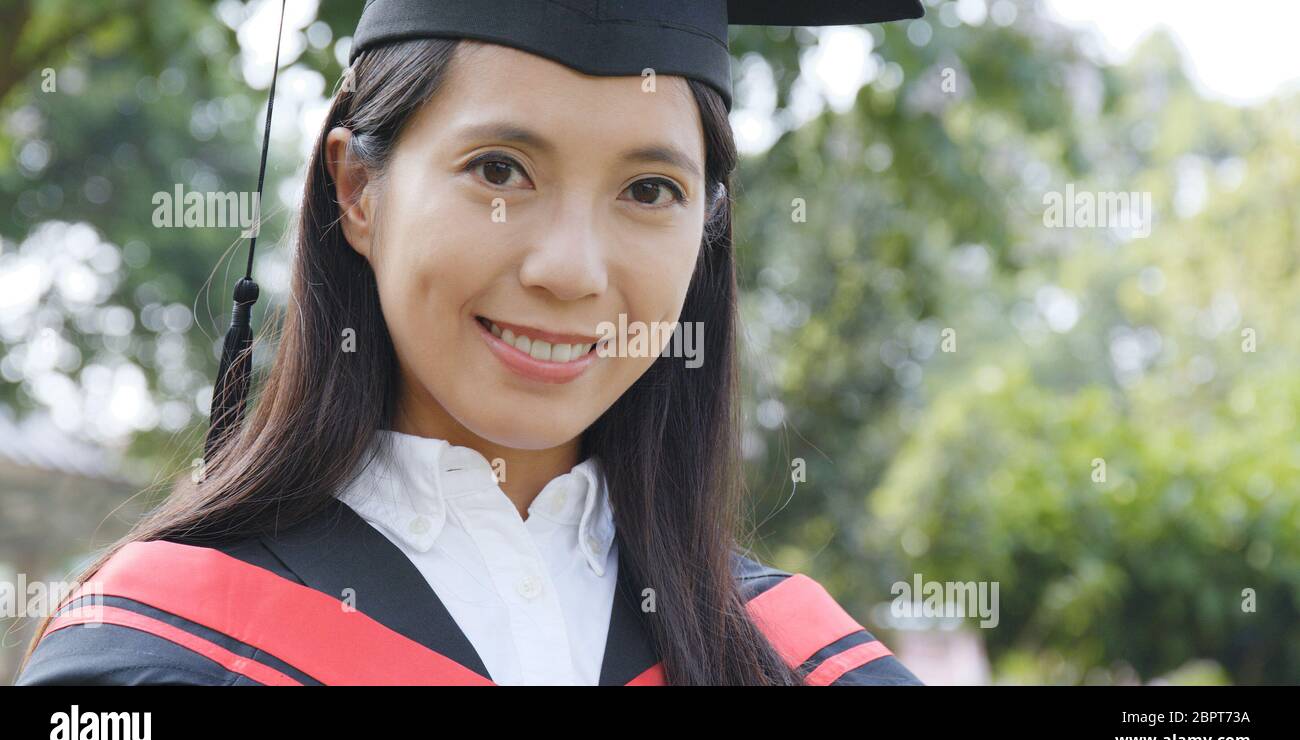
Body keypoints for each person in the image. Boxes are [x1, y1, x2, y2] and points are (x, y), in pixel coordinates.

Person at [16, 0, 925, 686]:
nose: (571, 270)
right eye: (500, 171)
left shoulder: (804, 660)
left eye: (649, 189)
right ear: (358, 191)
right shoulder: (157, 654)